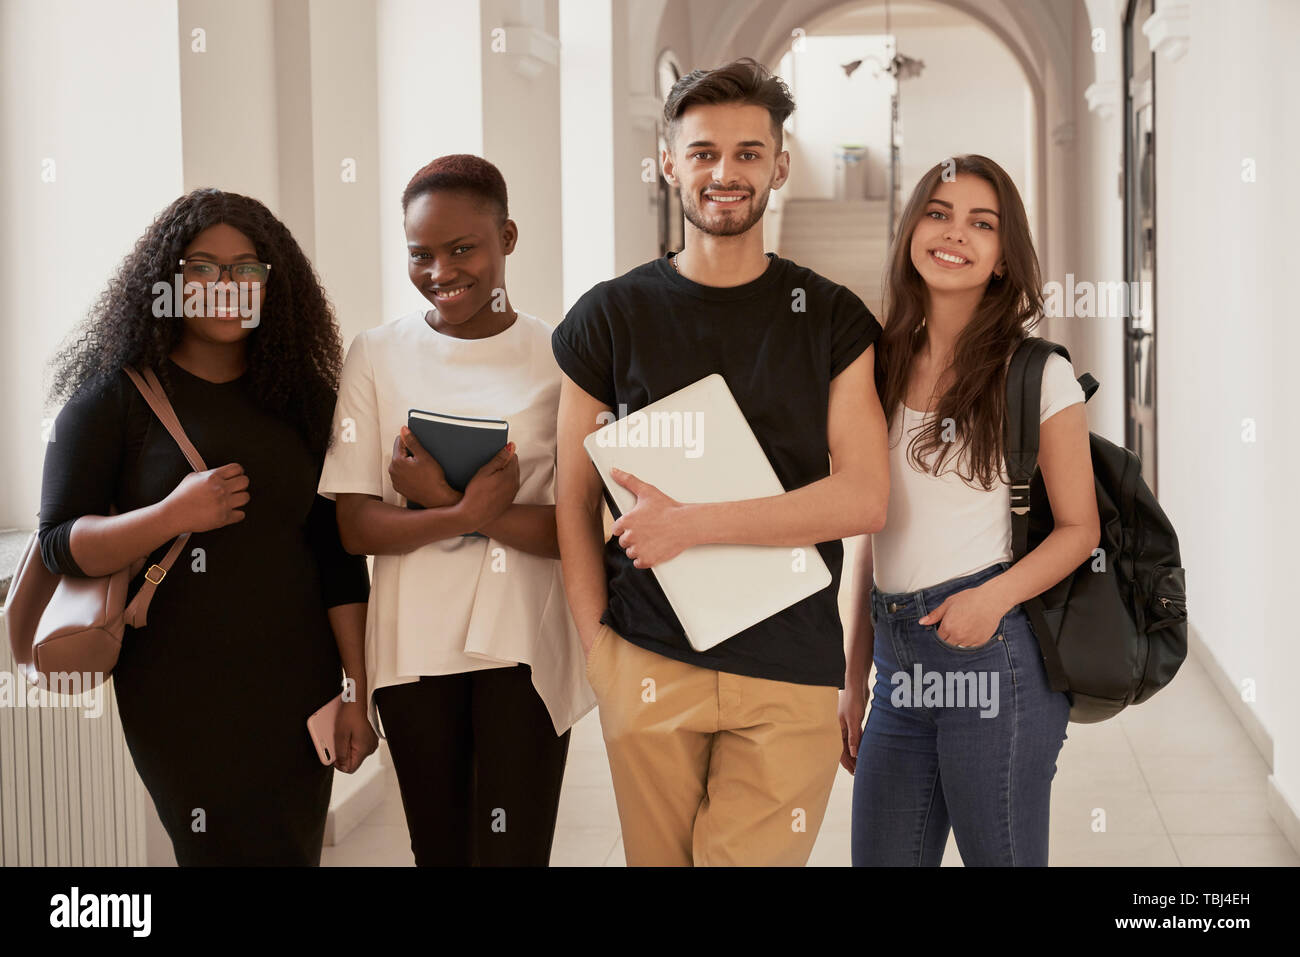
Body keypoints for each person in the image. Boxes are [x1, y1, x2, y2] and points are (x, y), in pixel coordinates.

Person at [552, 57, 890, 866]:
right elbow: (569, 495)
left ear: (779, 165)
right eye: (703, 152)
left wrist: (692, 525)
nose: (725, 173)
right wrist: (598, 649)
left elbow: (865, 497)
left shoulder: (832, 318)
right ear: (669, 162)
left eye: (747, 153)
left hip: (789, 670)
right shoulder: (610, 316)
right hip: (647, 660)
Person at [38, 188, 374, 866]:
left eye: (246, 268)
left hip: (297, 682)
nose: (227, 286)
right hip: (176, 689)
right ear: (169, 281)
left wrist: (357, 692)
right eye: (203, 267)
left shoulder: (305, 399)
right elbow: (58, 544)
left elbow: (338, 558)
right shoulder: (114, 398)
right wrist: (172, 514)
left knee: (290, 851)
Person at [321, 154, 592, 867]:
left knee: (515, 851)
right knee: (439, 851)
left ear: (507, 235)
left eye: (462, 247)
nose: (441, 269)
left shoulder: (563, 357)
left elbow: (578, 528)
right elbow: (353, 523)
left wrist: (456, 505)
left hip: (525, 640)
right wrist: (459, 508)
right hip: (414, 646)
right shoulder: (376, 356)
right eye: (421, 254)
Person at [841, 154, 1100, 866]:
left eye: (981, 223)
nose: (955, 233)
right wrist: (853, 674)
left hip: (995, 658)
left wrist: (991, 600)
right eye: (938, 212)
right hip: (896, 668)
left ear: (1002, 257)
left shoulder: (1037, 372)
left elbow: (1082, 529)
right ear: (911, 230)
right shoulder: (877, 363)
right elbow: (871, 522)